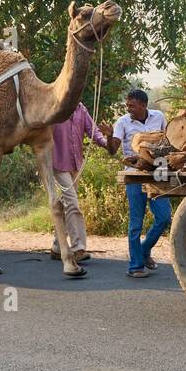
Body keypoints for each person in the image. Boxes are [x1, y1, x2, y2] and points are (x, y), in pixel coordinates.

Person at [106, 89, 170, 278]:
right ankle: (135, 266)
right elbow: (112, 150)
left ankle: (143, 251)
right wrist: (109, 136)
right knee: (136, 222)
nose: (129, 109)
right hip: (134, 175)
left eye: (132, 105)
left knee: (164, 217)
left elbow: (168, 141)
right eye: (127, 105)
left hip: (158, 171)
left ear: (143, 105)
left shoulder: (158, 117)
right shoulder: (122, 122)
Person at [48, 101, 108, 263]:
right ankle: (78, 248)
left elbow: (93, 131)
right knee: (73, 203)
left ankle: (56, 245)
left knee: (66, 203)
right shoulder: (56, 107)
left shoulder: (81, 108)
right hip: (58, 163)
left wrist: (106, 143)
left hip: (76, 163)